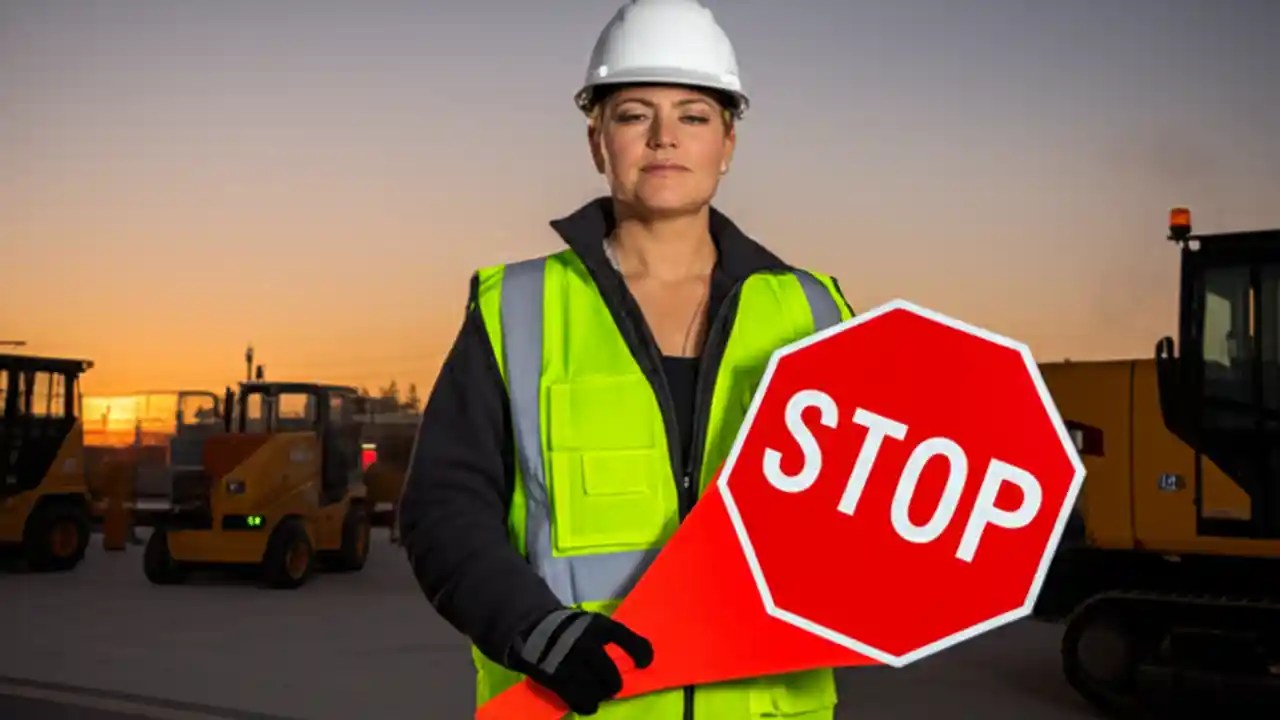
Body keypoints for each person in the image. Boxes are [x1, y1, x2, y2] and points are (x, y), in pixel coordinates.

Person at [398, 1, 855, 717]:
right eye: (635, 113)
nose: (665, 137)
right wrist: (538, 631)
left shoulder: (818, 313)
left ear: (728, 143)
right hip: (577, 705)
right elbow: (444, 511)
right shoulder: (515, 308)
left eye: (695, 115)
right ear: (597, 142)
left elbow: (865, 518)